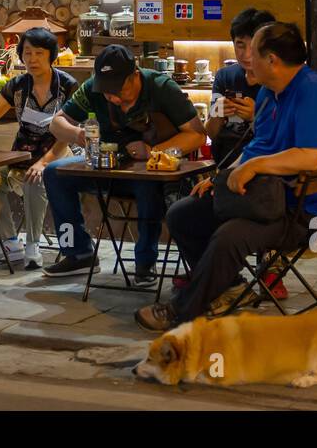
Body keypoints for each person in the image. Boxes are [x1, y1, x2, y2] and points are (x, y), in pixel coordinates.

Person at [135, 22, 317, 331]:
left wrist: (254, 168)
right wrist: (224, 176)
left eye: (252, 53)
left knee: (229, 236)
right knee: (182, 213)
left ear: (271, 59)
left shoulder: (314, 90)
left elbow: (309, 156)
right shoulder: (270, 94)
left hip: (295, 209)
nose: (245, 59)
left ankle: (182, 310)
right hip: (256, 197)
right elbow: (257, 147)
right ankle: (229, 285)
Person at [42, 45, 206, 285]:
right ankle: (77, 252)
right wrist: (79, 134)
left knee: (146, 185)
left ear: (136, 75)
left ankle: (145, 262)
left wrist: (153, 151)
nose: (115, 98)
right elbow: (56, 124)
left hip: (150, 169)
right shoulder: (91, 89)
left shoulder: (161, 88)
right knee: (54, 174)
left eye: (120, 90)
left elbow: (197, 135)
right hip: (107, 165)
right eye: (108, 93)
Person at [0, 26, 78, 271]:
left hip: (58, 155)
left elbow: (68, 134)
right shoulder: (18, 85)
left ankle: (33, 245)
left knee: (35, 178)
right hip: (21, 155)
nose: (32, 59)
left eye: (39, 54)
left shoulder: (67, 86)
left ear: (52, 56)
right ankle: (10, 243)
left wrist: (44, 162)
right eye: (27, 53)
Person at [204, 7, 276, 165]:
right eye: (240, 45)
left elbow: (280, 139)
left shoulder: (276, 81)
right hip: (222, 163)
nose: (246, 54)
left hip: (261, 164)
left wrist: (254, 117)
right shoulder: (224, 76)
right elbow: (210, 133)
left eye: (253, 47)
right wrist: (217, 114)